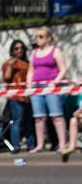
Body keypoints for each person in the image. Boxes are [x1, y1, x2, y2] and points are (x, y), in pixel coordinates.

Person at [28, 26, 69, 154]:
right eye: (37, 37)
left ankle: (62, 144)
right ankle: (40, 145)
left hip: (51, 88)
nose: (38, 39)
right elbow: (31, 70)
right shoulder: (34, 53)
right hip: (36, 88)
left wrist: (55, 82)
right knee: (39, 118)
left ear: (48, 38)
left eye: (41, 37)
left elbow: (63, 69)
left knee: (57, 116)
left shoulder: (55, 51)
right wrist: (29, 84)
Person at [0, 39, 31, 153]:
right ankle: (16, 145)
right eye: (17, 48)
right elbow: (6, 78)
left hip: (27, 97)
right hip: (15, 97)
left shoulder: (27, 63)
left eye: (22, 48)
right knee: (17, 121)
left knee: (28, 122)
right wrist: (10, 66)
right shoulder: (8, 63)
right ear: (12, 50)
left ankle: (31, 144)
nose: (20, 50)